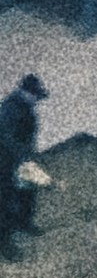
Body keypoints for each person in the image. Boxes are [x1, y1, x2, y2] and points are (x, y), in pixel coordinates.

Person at [0, 78, 44, 256]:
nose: (35, 99)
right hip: (5, 161)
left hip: (20, 158)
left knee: (27, 190)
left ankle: (23, 223)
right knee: (5, 199)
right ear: (25, 92)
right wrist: (21, 157)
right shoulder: (10, 108)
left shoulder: (27, 108)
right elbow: (6, 136)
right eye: (34, 95)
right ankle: (4, 244)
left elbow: (28, 135)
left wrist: (29, 156)